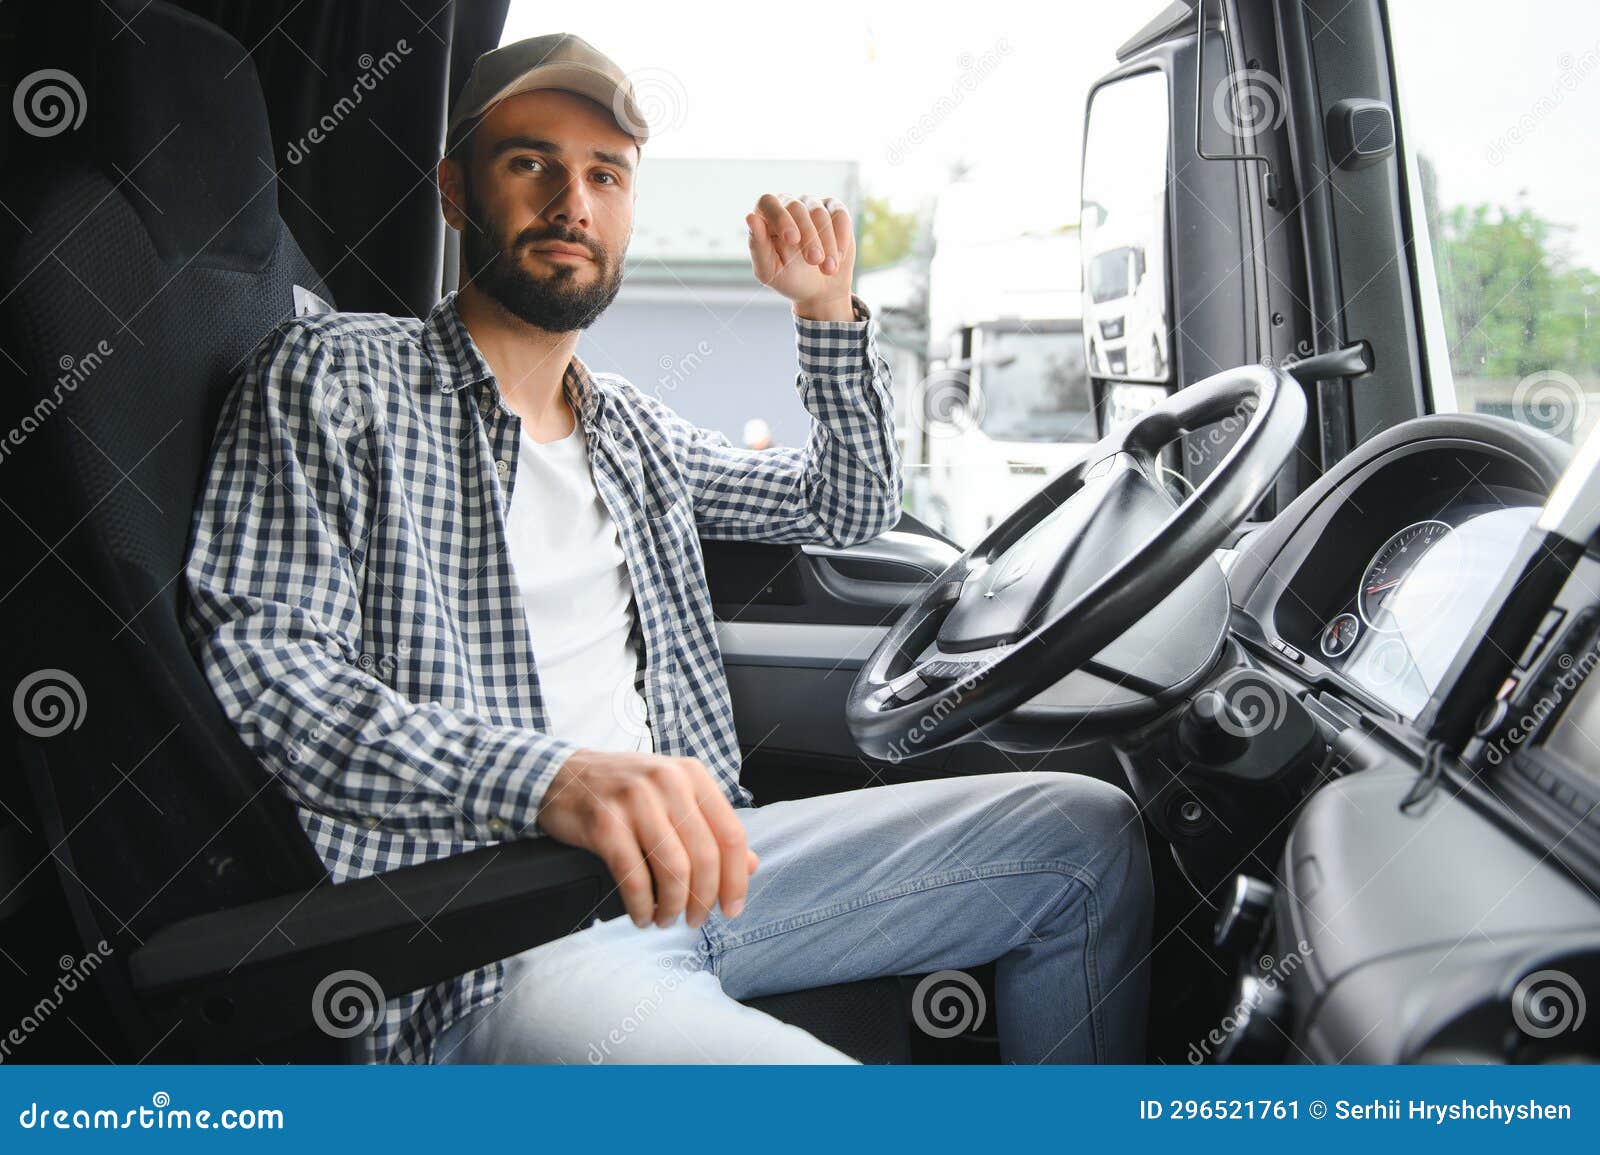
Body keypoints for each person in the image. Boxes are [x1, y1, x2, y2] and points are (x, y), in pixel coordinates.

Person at [183, 31, 1152, 1065]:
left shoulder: (631, 429)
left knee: (1082, 836)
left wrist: (826, 312)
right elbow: (271, 672)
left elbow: (848, 502)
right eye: (531, 163)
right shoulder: (336, 377)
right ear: (456, 193)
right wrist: (553, 779)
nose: (573, 201)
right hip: (509, 931)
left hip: (704, 865)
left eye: (605, 174)